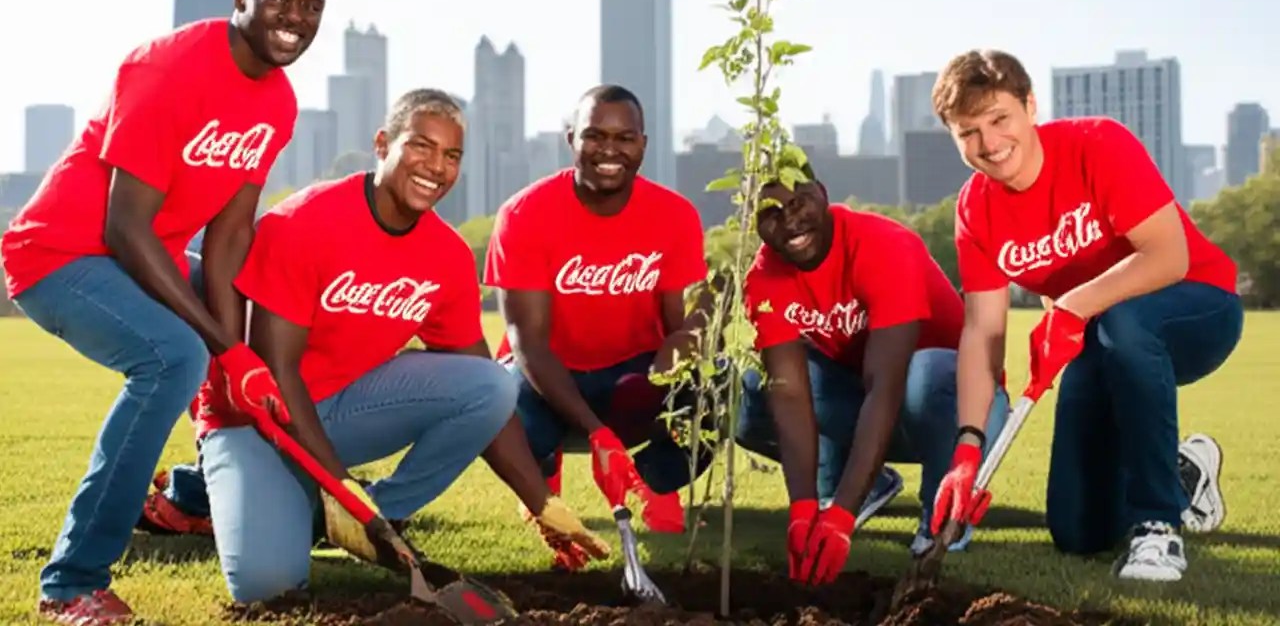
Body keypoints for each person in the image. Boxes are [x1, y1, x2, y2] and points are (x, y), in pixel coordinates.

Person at [0, 0, 327, 624]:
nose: (292, 16)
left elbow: (232, 233)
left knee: (252, 327)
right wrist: (222, 347)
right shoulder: (168, 67)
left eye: (309, 6)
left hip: (155, 252)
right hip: (61, 254)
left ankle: (192, 500)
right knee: (174, 358)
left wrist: (240, 349)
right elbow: (126, 228)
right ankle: (72, 582)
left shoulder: (280, 102)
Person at [192, 88, 609, 602]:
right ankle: (300, 499)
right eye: (421, 146)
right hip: (256, 420)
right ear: (383, 143)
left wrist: (541, 503)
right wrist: (341, 489)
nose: (435, 167)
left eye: (451, 155)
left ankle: (377, 512)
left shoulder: (448, 257)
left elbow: (488, 395)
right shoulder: (306, 222)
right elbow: (280, 373)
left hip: (343, 412)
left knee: (491, 383)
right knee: (267, 585)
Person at [928, 49, 1241, 582]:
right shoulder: (974, 210)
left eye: (999, 119)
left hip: (1196, 306)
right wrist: (966, 451)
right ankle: (1182, 473)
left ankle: (1158, 529)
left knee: (1124, 322)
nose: (990, 144)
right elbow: (983, 332)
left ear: (1030, 106)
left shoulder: (1097, 143)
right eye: (968, 132)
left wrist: (1072, 306)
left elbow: (1169, 256)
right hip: (1102, 338)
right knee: (1078, 531)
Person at [734, 167, 1010, 585]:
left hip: (956, 404)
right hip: (870, 396)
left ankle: (943, 515)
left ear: (823, 194)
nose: (789, 221)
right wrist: (802, 510)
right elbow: (789, 395)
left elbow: (886, 383)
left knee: (924, 373)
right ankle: (866, 483)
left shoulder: (883, 244)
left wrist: (842, 516)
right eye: (770, 212)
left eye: (798, 202)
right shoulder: (763, 278)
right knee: (758, 389)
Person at [483, 84, 715, 543]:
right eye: (594, 136)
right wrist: (597, 434)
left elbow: (678, 327)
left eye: (624, 138)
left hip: (631, 374)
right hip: (543, 373)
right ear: (571, 139)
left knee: (719, 385)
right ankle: (542, 475)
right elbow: (528, 341)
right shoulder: (524, 213)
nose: (609, 150)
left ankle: (653, 480)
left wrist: (695, 341)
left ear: (642, 145)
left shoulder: (675, 215)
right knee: (495, 406)